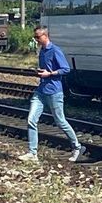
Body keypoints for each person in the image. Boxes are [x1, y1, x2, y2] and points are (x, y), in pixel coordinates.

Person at [20, 27, 83, 162]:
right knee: (31, 119)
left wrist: (50, 73)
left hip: (54, 91)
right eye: (35, 37)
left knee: (60, 121)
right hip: (41, 91)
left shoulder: (55, 50)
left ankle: (77, 147)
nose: (36, 40)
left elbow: (66, 69)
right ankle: (32, 153)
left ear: (45, 36)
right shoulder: (42, 51)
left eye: (37, 37)